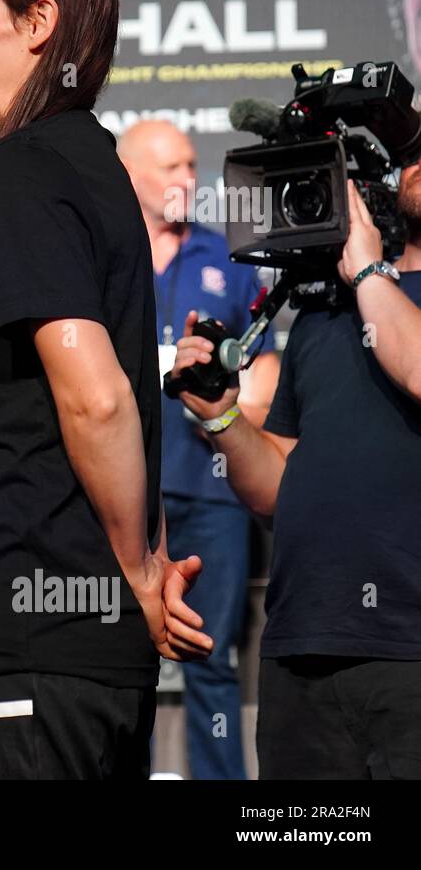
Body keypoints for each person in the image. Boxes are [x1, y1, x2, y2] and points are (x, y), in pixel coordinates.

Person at [0, 0, 209, 780]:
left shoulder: (20, 167)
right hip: (82, 662)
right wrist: (142, 567)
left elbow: (99, 396)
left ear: (37, 21)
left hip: (27, 653)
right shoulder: (93, 165)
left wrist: (135, 563)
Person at [170, 170, 421, 779]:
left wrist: (366, 274)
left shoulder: (366, 290)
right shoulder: (325, 314)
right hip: (302, 653)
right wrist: (221, 413)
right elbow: (278, 485)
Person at [118, 119, 281, 779]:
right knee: (116, 657)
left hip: (214, 491)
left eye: (191, 166)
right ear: (131, 175)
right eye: (171, 168)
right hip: (121, 494)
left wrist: (234, 402)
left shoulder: (229, 261)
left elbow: (267, 374)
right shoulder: (102, 262)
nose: (188, 179)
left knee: (211, 657)